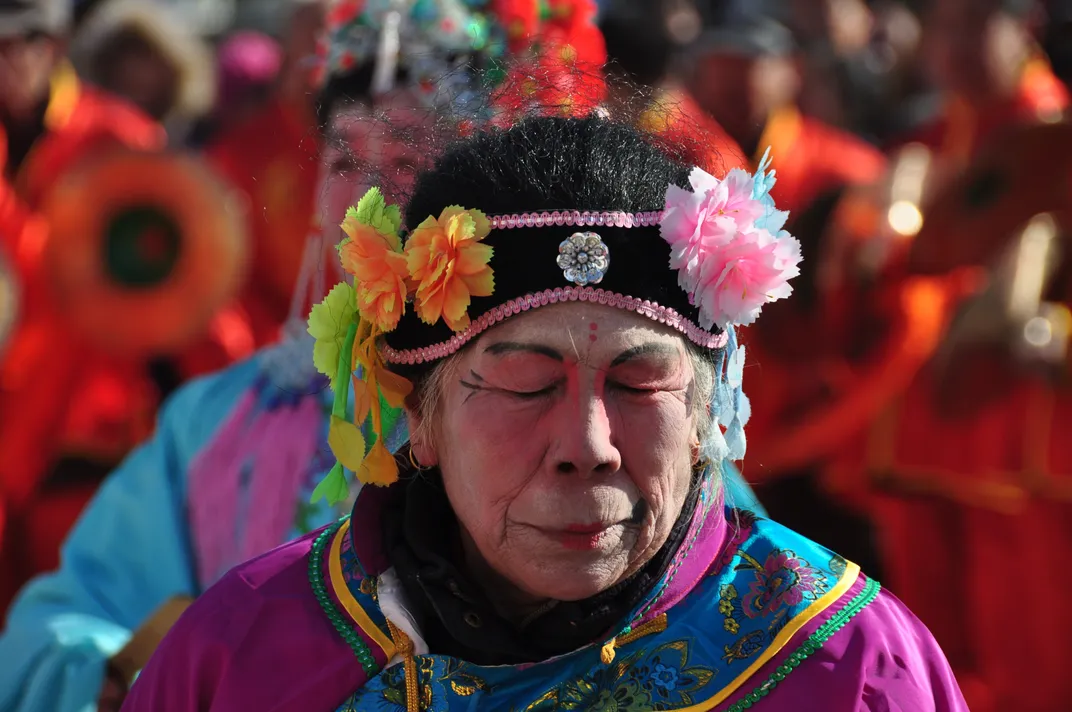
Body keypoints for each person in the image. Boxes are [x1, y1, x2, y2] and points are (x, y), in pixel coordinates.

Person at [0, 3, 769, 711]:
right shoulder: (220, 418)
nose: (367, 197)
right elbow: (70, 612)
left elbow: (735, 613)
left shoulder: (606, 410)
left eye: (405, 164)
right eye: (344, 160)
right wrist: (120, 672)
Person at [121, 108, 966, 710]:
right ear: (421, 415)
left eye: (641, 384)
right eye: (526, 382)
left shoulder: (842, 667)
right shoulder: (245, 653)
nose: (588, 445)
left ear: (713, 411)